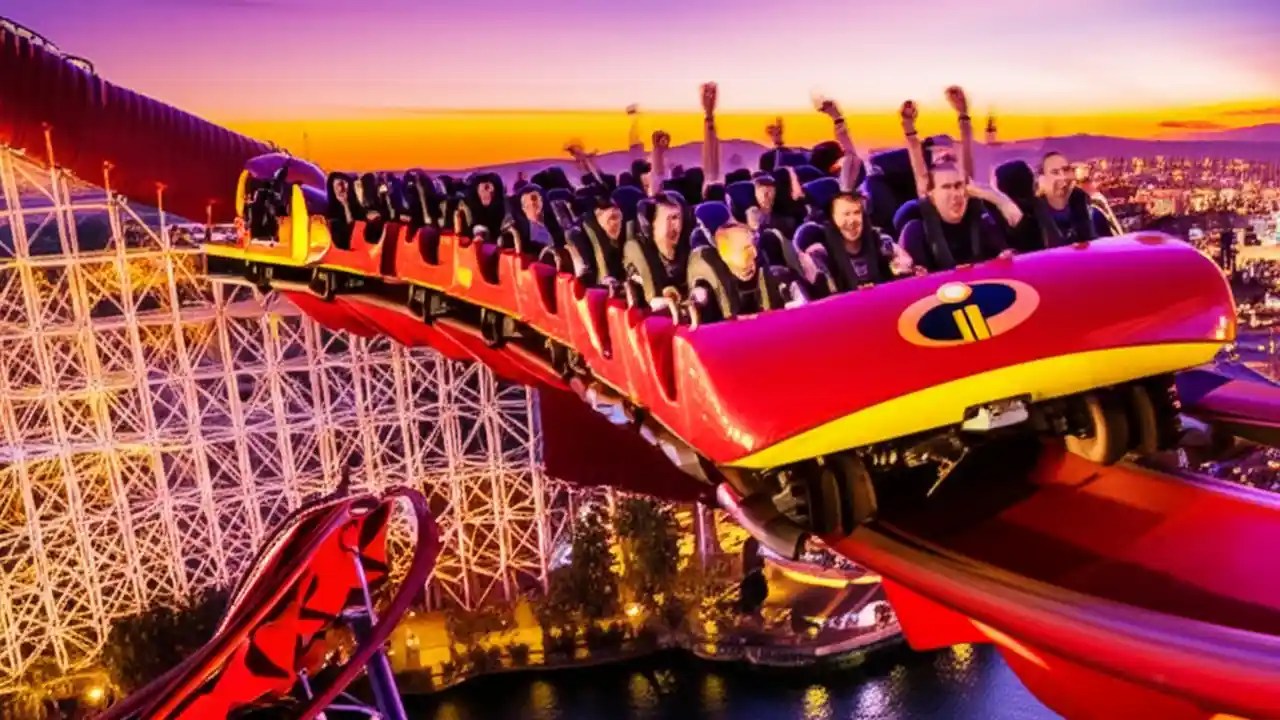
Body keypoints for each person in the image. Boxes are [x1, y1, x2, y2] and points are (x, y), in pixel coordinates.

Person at [899, 162, 1012, 271]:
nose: (956, 194)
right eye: (946, 187)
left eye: (958, 186)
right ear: (931, 195)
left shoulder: (983, 220)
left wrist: (996, 198)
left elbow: (1010, 252)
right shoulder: (915, 232)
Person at [806, 191, 915, 290]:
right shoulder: (820, 253)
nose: (852, 220)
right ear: (833, 218)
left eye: (857, 213)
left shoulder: (881, 241)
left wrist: (907, 269)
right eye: (846, 214)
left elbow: (905, 265)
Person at [1035, 151, 1116, 244]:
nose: (1063, 177)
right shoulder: (1034, 218)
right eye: (1055, 172)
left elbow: (1111, 247)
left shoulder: (1094, 212)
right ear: (1042, 179)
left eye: (1066, 170)